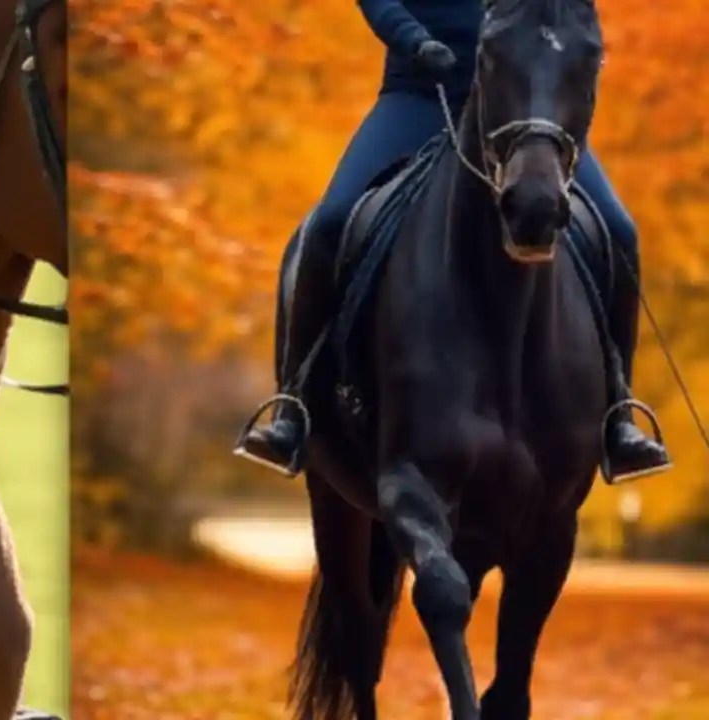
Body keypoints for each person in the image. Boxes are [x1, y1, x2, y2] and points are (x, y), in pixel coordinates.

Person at [236, 0, 670, 482]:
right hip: (420, 94)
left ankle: (618, 418)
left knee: (620, 230)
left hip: (521, 106)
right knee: (329, 222)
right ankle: (293, 409)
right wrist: (414, 40)